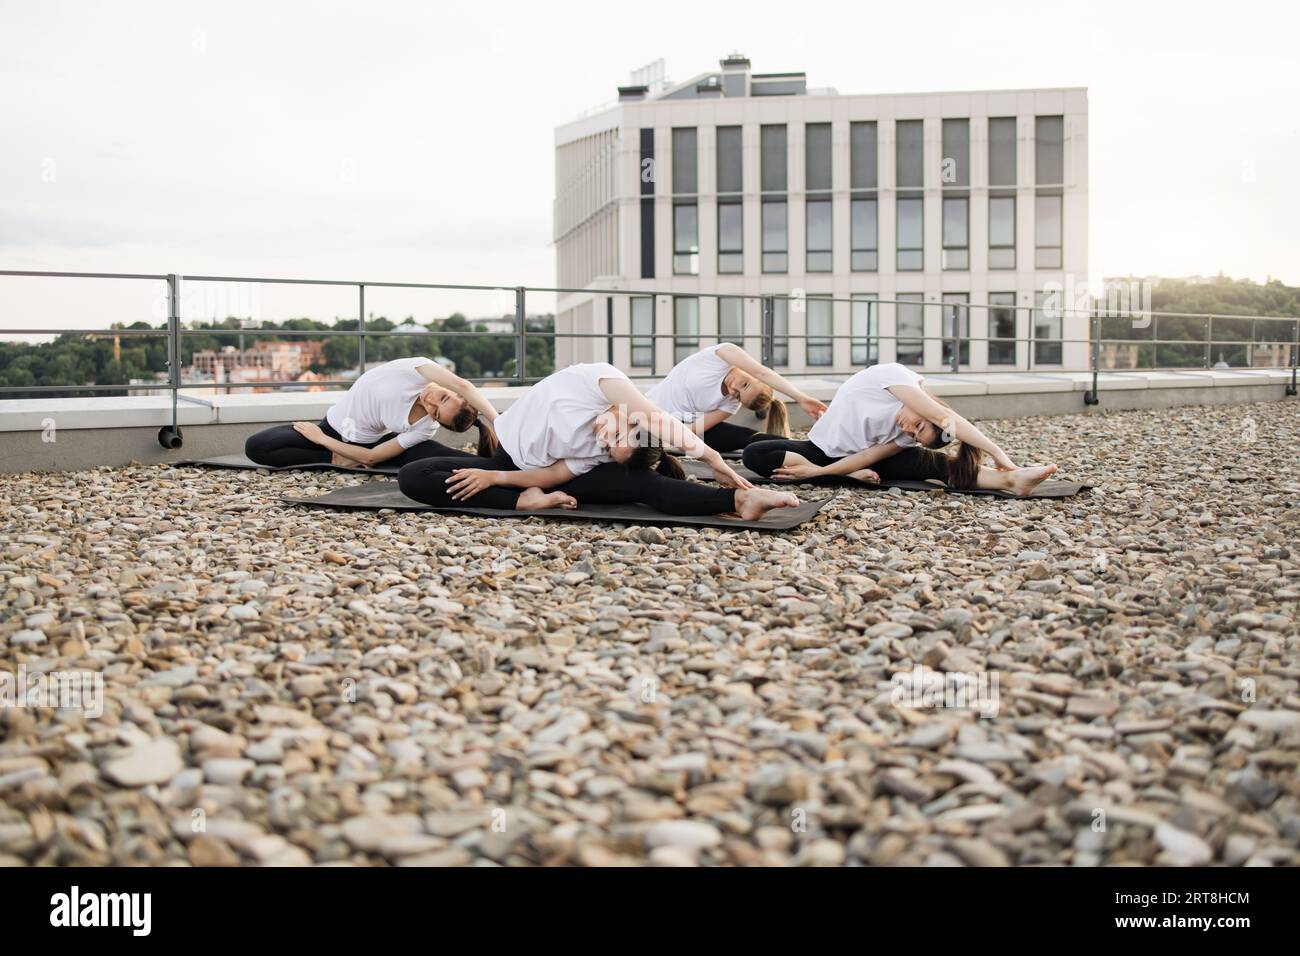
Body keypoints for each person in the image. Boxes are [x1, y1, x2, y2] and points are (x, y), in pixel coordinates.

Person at [397, 362, 801, 519]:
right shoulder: (601, 383)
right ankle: (524, 501)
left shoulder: (598, 452)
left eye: (611, 448)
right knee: (414, 476)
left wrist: (497, 483)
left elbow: (556, 473)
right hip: (507, 454)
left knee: (638, 484)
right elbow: (659, 417)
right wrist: (713, 459)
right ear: (631, 419)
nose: (604, 439)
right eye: (616, 435)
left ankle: (741, 501)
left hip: (526, 476)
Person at [742, 363, 1059, 495]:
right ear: (925, 407)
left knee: (930, 464)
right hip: (819, 450)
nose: (909, 430)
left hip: (853, 462)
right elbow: (944, 416)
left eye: (915, 435)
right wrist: (997, 450)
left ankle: (1011, 479)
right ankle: (840, 475)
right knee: (756, 450)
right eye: (918, 424)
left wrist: (815, 475)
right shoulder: (898, 378)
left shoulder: (905, 435)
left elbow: (867, 456)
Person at [243, 357, 497, 468]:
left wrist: (322, 441)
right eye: (442, 397)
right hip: (331, 427)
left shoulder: (425, 426)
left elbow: (372, 457)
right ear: (453, 391)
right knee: (258, 446)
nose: (431, 402)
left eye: (436, 413)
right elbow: (464, 384)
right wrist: (498, 420)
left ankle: (498, 467)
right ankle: (333, 459)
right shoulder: (417, 370)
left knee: (435, 456)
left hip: (362, 444)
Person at [645, 342, 828, 451]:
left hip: (680, 428)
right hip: (647, 414)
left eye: (739, 396)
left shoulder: (730, 404)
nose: (734, 390)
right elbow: (764, 373)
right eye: (744, 384)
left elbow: (694, 429)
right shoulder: (721, 356)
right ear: (750, 372)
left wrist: (671, 440)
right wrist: (800, 398)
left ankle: (806, 449)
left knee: (746, 438)